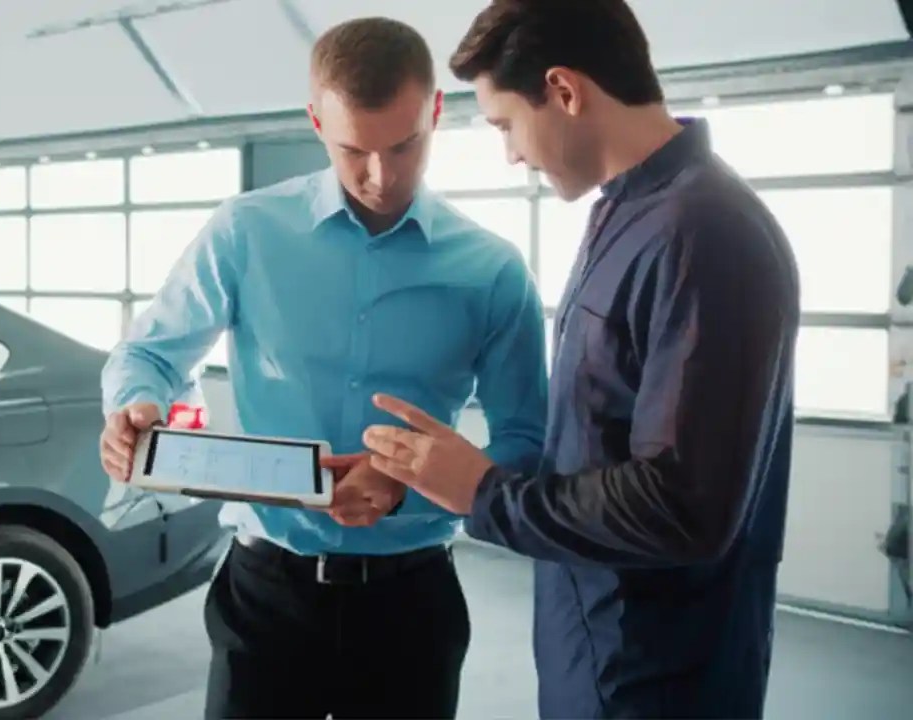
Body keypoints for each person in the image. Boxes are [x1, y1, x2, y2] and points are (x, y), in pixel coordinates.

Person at [99, 16, 548, 720]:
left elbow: (525, 444)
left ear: (436, 112)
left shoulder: (493, 271)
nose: (381, 176)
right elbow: (150, 353)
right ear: (315, 122)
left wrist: (408, 489)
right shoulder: (245, 232)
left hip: (412, 606)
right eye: (353, 150)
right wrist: (133, 405)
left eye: (404, 146)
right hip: (264, 596)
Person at [360, 1, 801, 718]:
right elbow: (593, 443)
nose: (511, 154)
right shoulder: (629, 214)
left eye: (505, 125)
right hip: (598, 653)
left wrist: (485, 493)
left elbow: (681, 506)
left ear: (563, 91)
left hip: (657, 680)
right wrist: (434, 473)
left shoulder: (703, 233)